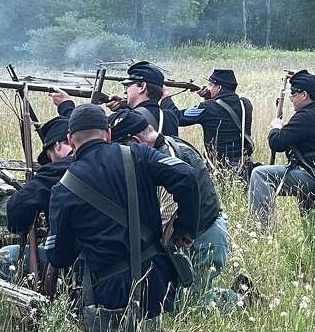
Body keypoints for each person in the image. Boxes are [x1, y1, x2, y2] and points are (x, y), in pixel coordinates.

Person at [47, 105, 199, 332]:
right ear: (107, 133)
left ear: (71, 139)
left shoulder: (63, 188)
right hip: (157, 281)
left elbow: (59, 257)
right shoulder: (137, 154)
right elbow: (186, 175)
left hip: (110, 296)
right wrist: (185, 230)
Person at [109, 109, 254, 314]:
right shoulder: (170, 144)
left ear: (135, 141)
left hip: (204, 239)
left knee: (194, 305)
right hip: (198, 235)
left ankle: (241, 298)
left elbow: (167, 216)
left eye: (122, 148)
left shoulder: (166, 156)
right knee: (179, 299)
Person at [247, 70, 315, 227]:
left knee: (260, 174)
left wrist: (275, 127)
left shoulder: (305, 116)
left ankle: (260, 229)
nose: (291, 99)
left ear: (304, 95)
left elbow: (277, 143)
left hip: (311, 175)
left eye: (293, 94)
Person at [0, 114, 74, 280]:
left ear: (58, 145)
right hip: (116, 263)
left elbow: (16, 214)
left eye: (50, 155)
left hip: (74, 264)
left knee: (5, 258)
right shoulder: (107, 160)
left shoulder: (58, 170)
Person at [179, 68, 254, 170]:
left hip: (216, 167)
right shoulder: (245, 104)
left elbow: (178, 118)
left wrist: (165, 98)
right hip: (243, 166)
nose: (208, 88)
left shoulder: (207, 107)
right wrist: (209, 98)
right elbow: (221, 110)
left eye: (210, 85)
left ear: (219, 87)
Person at [106, 60, 180, 136]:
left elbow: (96, 135)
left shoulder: (128, 117)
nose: (125, 91)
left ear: (142, 87)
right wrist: (123, 106)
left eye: (128, 86)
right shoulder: (170, 116)